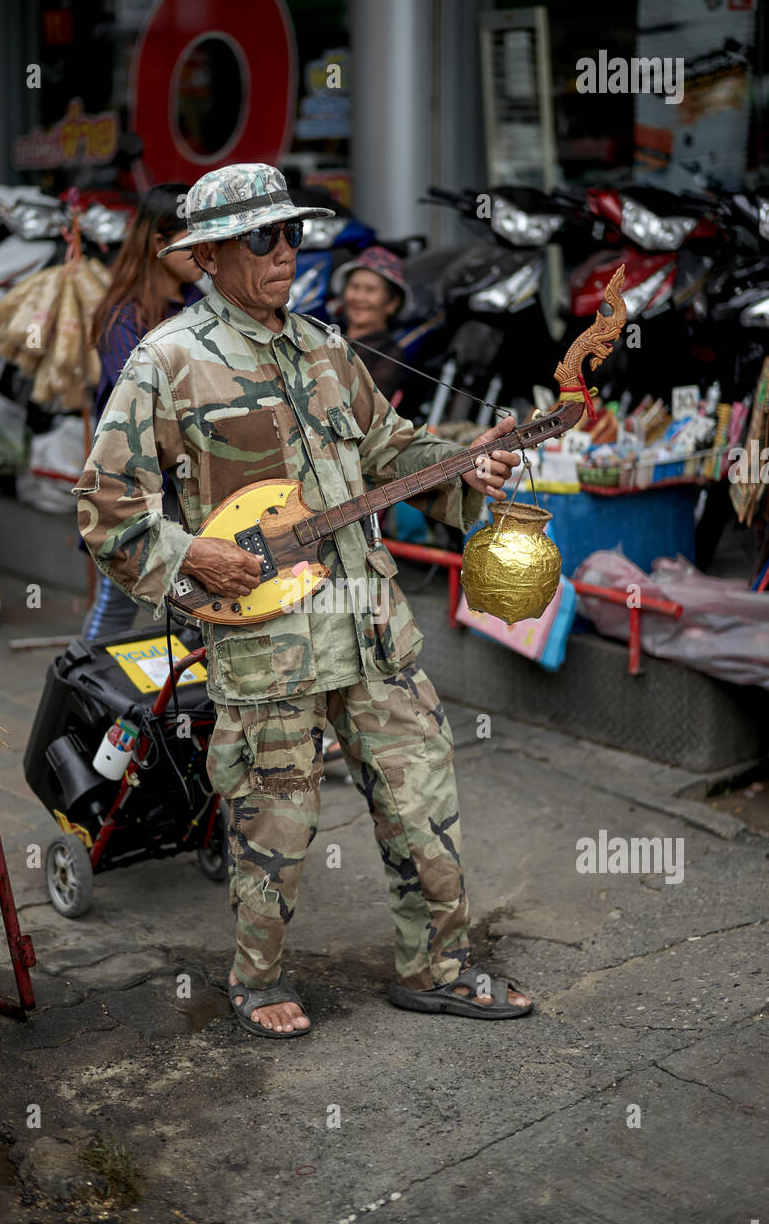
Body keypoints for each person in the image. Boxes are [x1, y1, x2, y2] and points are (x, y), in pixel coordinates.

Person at [74, 162, 532, 1038]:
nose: (286, 252)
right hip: (267, 639)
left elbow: (392, 450)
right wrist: (191, 556)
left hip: (369, 625)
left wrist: (466, 465)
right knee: (273, 818)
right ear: (209, 254)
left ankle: (436, 967)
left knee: (421, 798)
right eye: (263, 238)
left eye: (293, 235)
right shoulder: (167, 362)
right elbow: (106, 509)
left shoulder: (325, 346)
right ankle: (257, 979)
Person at [80, 184, 204, 641]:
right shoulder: (121, 316)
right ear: (159, 242)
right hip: (136, 483)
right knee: (117, 601)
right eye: (192, 235)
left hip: (190, 479)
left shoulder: (200, 302)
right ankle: (80, 696)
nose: (203, 247)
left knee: (196, 602)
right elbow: (144, 400)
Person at [330, 245, 412, 403]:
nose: (359, 298)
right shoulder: (330, 333)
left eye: (370, 290)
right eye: (354, 287)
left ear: (392, 303)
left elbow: (365, 406)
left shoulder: (390, 356)